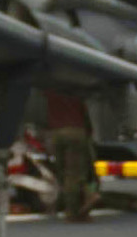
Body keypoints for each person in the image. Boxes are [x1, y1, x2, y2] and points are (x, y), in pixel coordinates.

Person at [42, 91, 99, 223]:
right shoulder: (75, 90)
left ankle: (74, 204)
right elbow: (84, 113)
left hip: (56, 133)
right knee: (75, 174)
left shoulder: (50, 92)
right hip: (75, 131)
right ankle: (74, 211)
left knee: (63, 172)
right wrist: (89, 133)